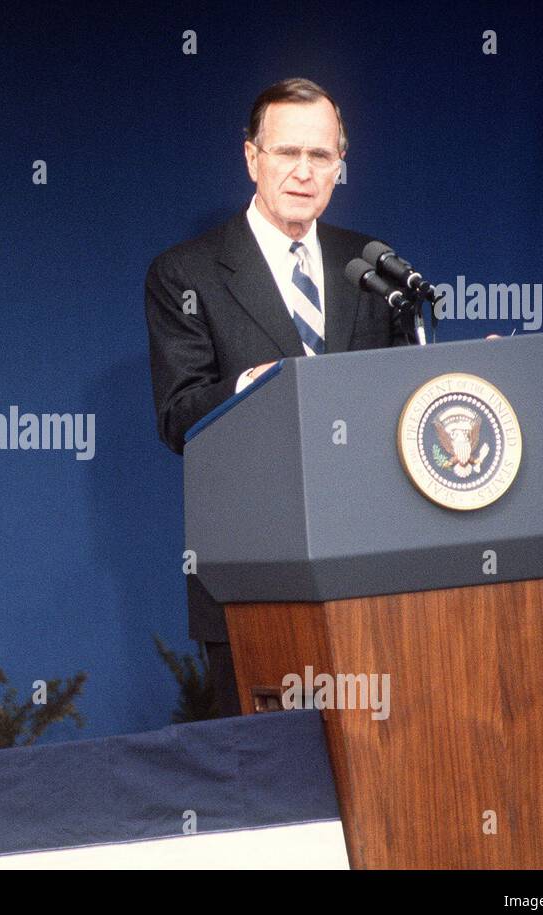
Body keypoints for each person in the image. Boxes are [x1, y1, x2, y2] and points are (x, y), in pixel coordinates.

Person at [144, 78, 410, 717]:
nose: (302, 171)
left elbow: (402, 401)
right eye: (286, 153)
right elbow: (179, 417)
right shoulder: (186, 274)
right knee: (271, 788)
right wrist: (247, 388)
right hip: (254, 572)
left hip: (375, 568)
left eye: (320, 157)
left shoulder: (370, 265)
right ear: (250, 158)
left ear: (339, 167)